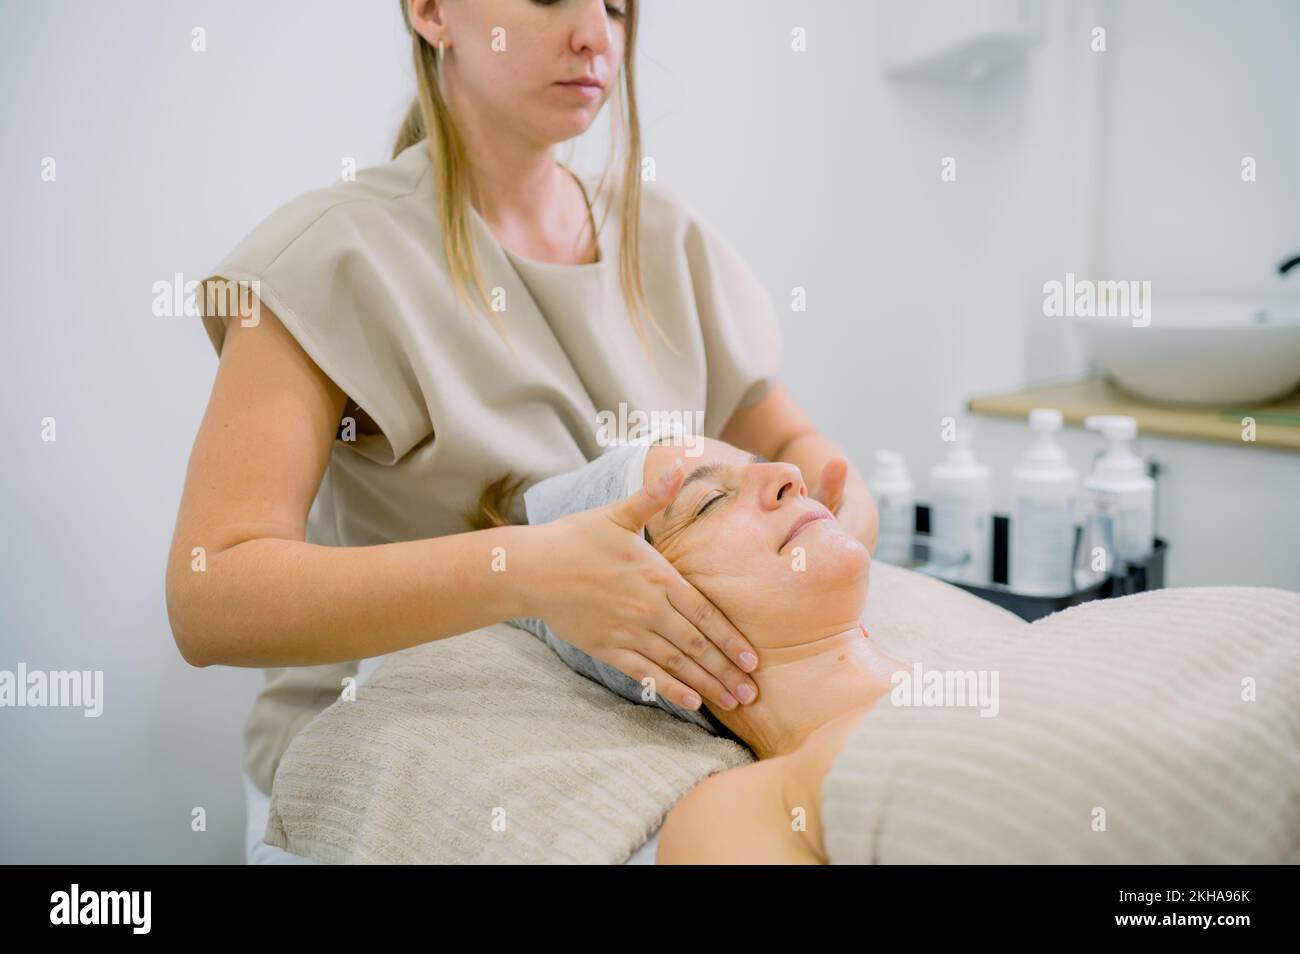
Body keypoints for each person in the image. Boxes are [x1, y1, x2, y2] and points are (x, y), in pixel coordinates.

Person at [164, 0, 879, 863]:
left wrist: (833, 516)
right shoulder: (329, 257)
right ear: (429, 12)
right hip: (404, 757)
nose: (594, 36)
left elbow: (802, 450)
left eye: (615, 6)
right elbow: (209, 598)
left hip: (650, 737)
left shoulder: (665, 238)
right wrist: (528, 571)